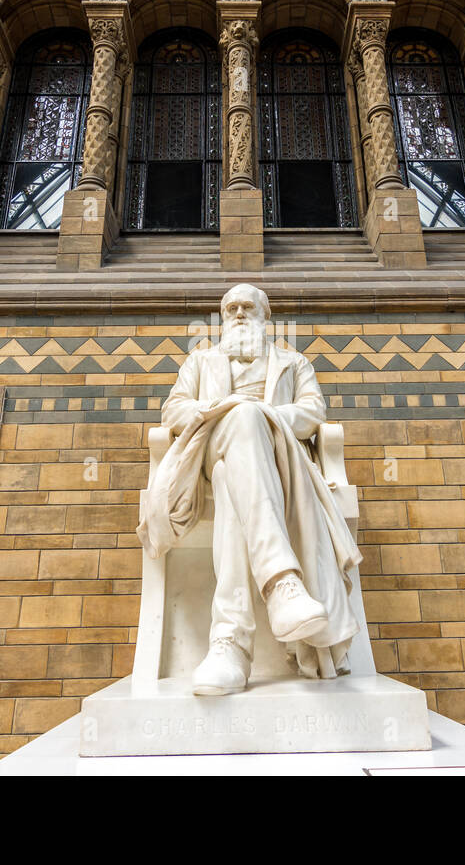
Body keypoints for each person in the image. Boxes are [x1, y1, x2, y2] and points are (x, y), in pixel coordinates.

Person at [139, 284, 361, 696]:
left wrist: (263, 417)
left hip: (276, 462)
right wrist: (228, 411)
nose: (239, 314)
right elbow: (174, 408)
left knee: (231, 478)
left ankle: (230, 647)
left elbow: (313, 411)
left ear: (265, 316)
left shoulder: (294, 362)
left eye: (247, 307)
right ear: (223, 318)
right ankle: (282, 585)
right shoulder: (200, 360)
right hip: (207, 453)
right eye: (231, 309)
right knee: (240, 422)